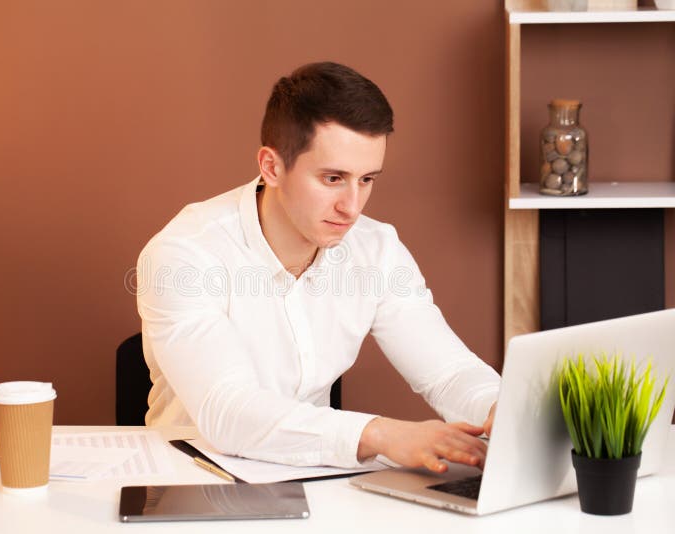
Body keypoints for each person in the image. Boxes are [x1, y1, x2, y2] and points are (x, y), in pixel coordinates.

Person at [136, 61, 500, 473]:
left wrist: (502, 409)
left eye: (366, 180)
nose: (352, 206)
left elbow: (448, 373)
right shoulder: (183, 254)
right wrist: (380, 434)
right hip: (190, 484)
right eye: (333, 179)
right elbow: (228, 411)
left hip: (316, 480)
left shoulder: (377, 249)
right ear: (272, 167)